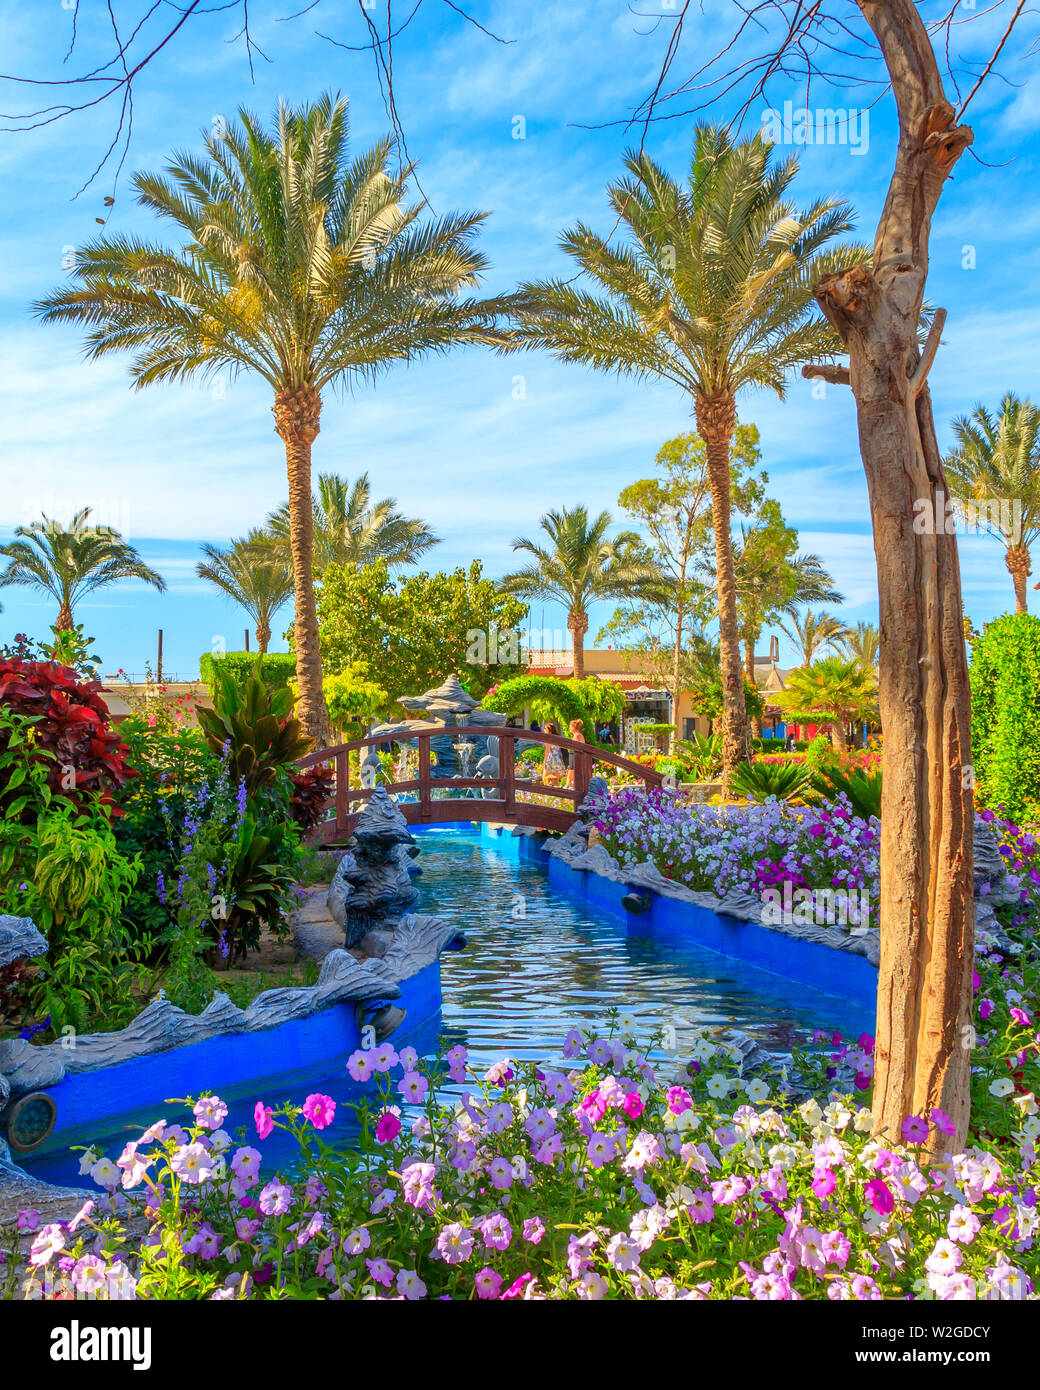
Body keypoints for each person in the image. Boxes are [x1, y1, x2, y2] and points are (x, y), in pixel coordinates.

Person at [565, 718, 586, 788]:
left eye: (570, 727)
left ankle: (568, 785)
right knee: (572, 769)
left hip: (575, 754)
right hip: (574, 754)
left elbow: (577, 747)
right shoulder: (577, 735)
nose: (569, 728)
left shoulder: (577, 735)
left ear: (574, 727)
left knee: (571, 769)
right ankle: (570, 784)